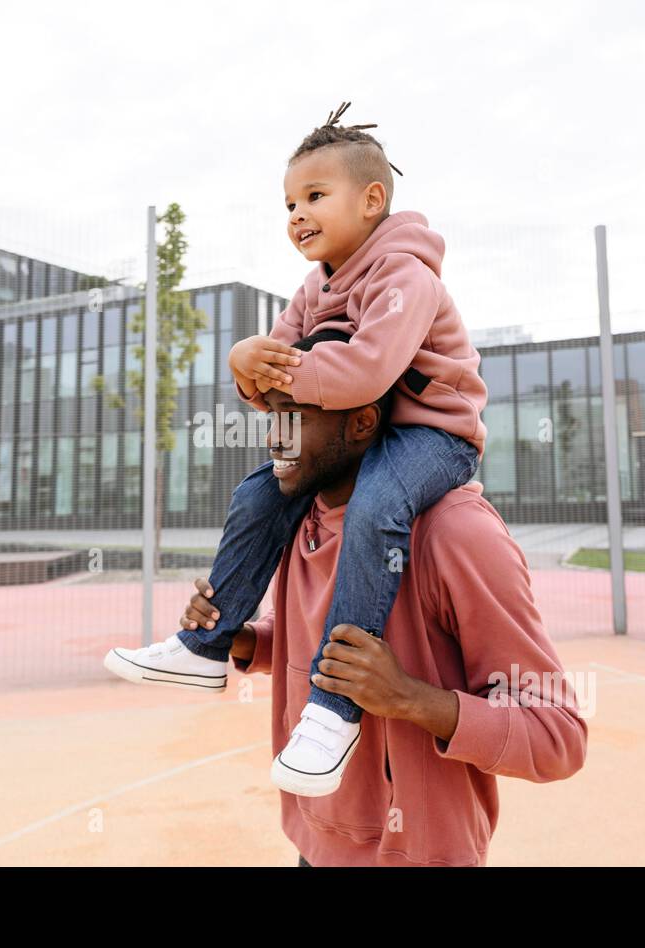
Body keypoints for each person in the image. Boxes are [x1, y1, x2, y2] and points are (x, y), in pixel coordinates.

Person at [104, 102, 488, 797]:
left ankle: (335, 709)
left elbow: (368, 370)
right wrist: (242, 360)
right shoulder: (315, 288)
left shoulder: (406, 276)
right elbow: (280, 375)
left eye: (314, 195)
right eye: (289, 202)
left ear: (372, 201)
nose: (297, 213)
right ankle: (205, 645)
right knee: (257, 492)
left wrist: (273, 366)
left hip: (432, 434)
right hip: (357, 435)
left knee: (375, 508)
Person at [179, 341, 587, 865]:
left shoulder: (457, 535)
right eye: (271, 415)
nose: (273, 437)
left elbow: (559, 736)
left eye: (295, 417)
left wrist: (410, 698)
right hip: (314, 844)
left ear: (362, 422)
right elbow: (321, 645)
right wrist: (243, 638)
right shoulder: (301, 519)